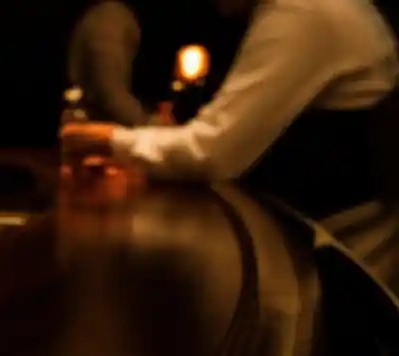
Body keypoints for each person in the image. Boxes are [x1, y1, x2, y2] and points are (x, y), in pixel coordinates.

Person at [62, 0, 399, 219]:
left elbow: (213, 154)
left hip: (338, 257)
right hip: (320, 235)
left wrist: (111, 141)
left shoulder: (305, 12)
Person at [68, 0, 152, 126]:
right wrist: (156, 128)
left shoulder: (109, 16)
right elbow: (111, 93)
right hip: (103, 131)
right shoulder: (109, 19)